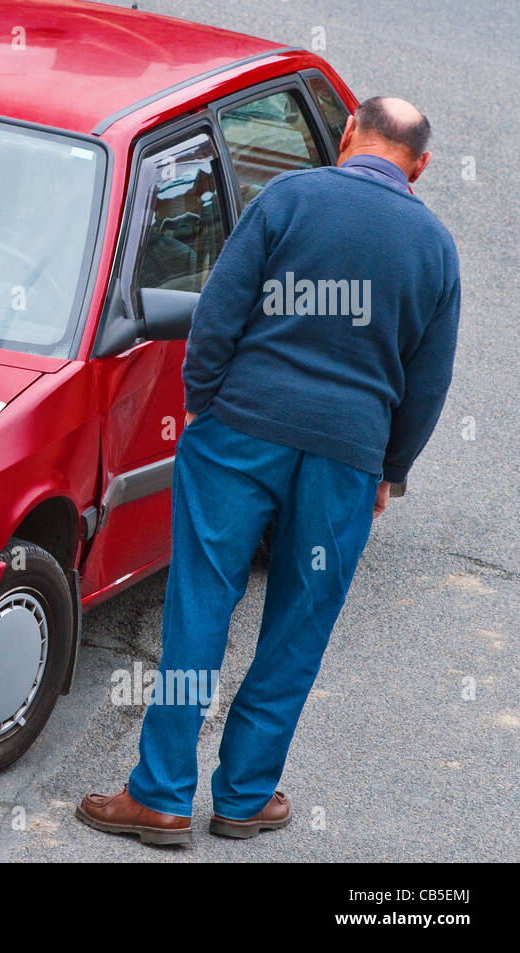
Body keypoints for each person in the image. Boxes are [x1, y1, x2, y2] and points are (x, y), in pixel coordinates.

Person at [76, 97, 460, 844]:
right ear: (421, 163)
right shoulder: (435, 247)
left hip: (241, 430)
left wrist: (199, 407)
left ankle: (159, 793)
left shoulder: (287, 198)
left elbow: (220, 310)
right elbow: (428, 380)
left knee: (200, 606)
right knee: (297, 624)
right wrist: (390, 468)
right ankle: (245, 795)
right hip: (347, 453)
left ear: (348, 133)